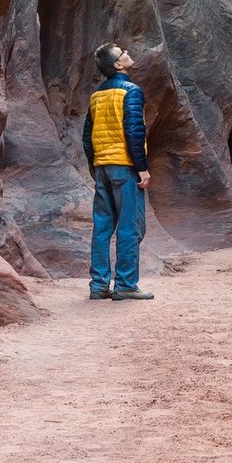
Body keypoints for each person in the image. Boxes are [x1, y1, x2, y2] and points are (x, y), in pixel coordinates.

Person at [82, 44, 154, 301]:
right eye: (122, 52)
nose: (128, 53)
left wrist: (95, 165)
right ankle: (125, 285)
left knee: (102, 227)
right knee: (129, 227)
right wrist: (142, 168)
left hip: (103, 167)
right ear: (117, 65)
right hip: (125, 167)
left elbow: (87, 137)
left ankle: (99, 285)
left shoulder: (96, 96)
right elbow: (135, 131)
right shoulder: (131, 92)